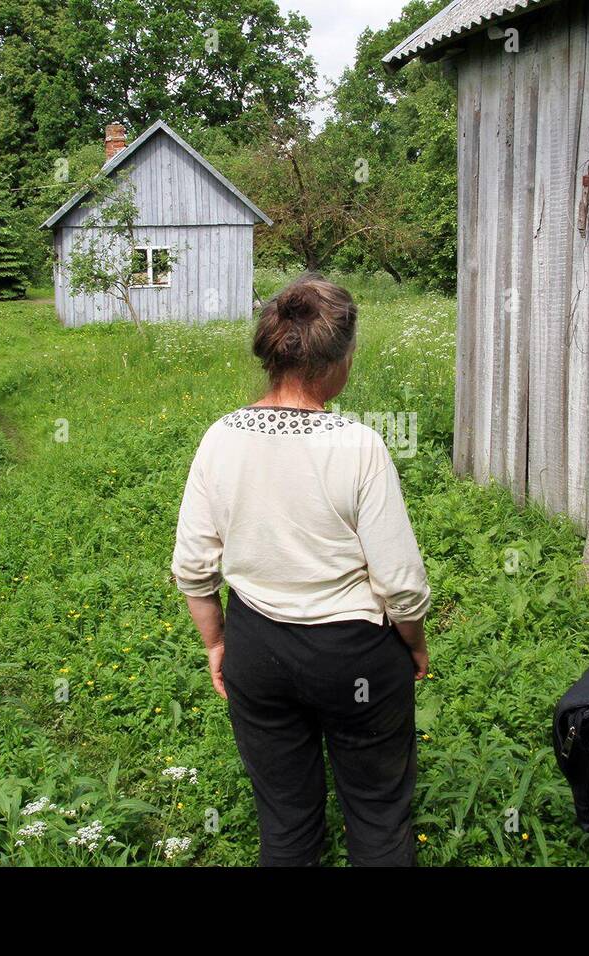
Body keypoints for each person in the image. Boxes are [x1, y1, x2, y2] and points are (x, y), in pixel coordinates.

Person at [171, 274, 431, 866]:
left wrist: (217, 642)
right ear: (335, 361)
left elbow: (194, 567)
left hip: (257, 650)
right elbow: (399, 582)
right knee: (379, 817)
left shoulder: (219, 439)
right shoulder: (358, 444)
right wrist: (413, 643)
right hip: (355, 654)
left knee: (285, 824)